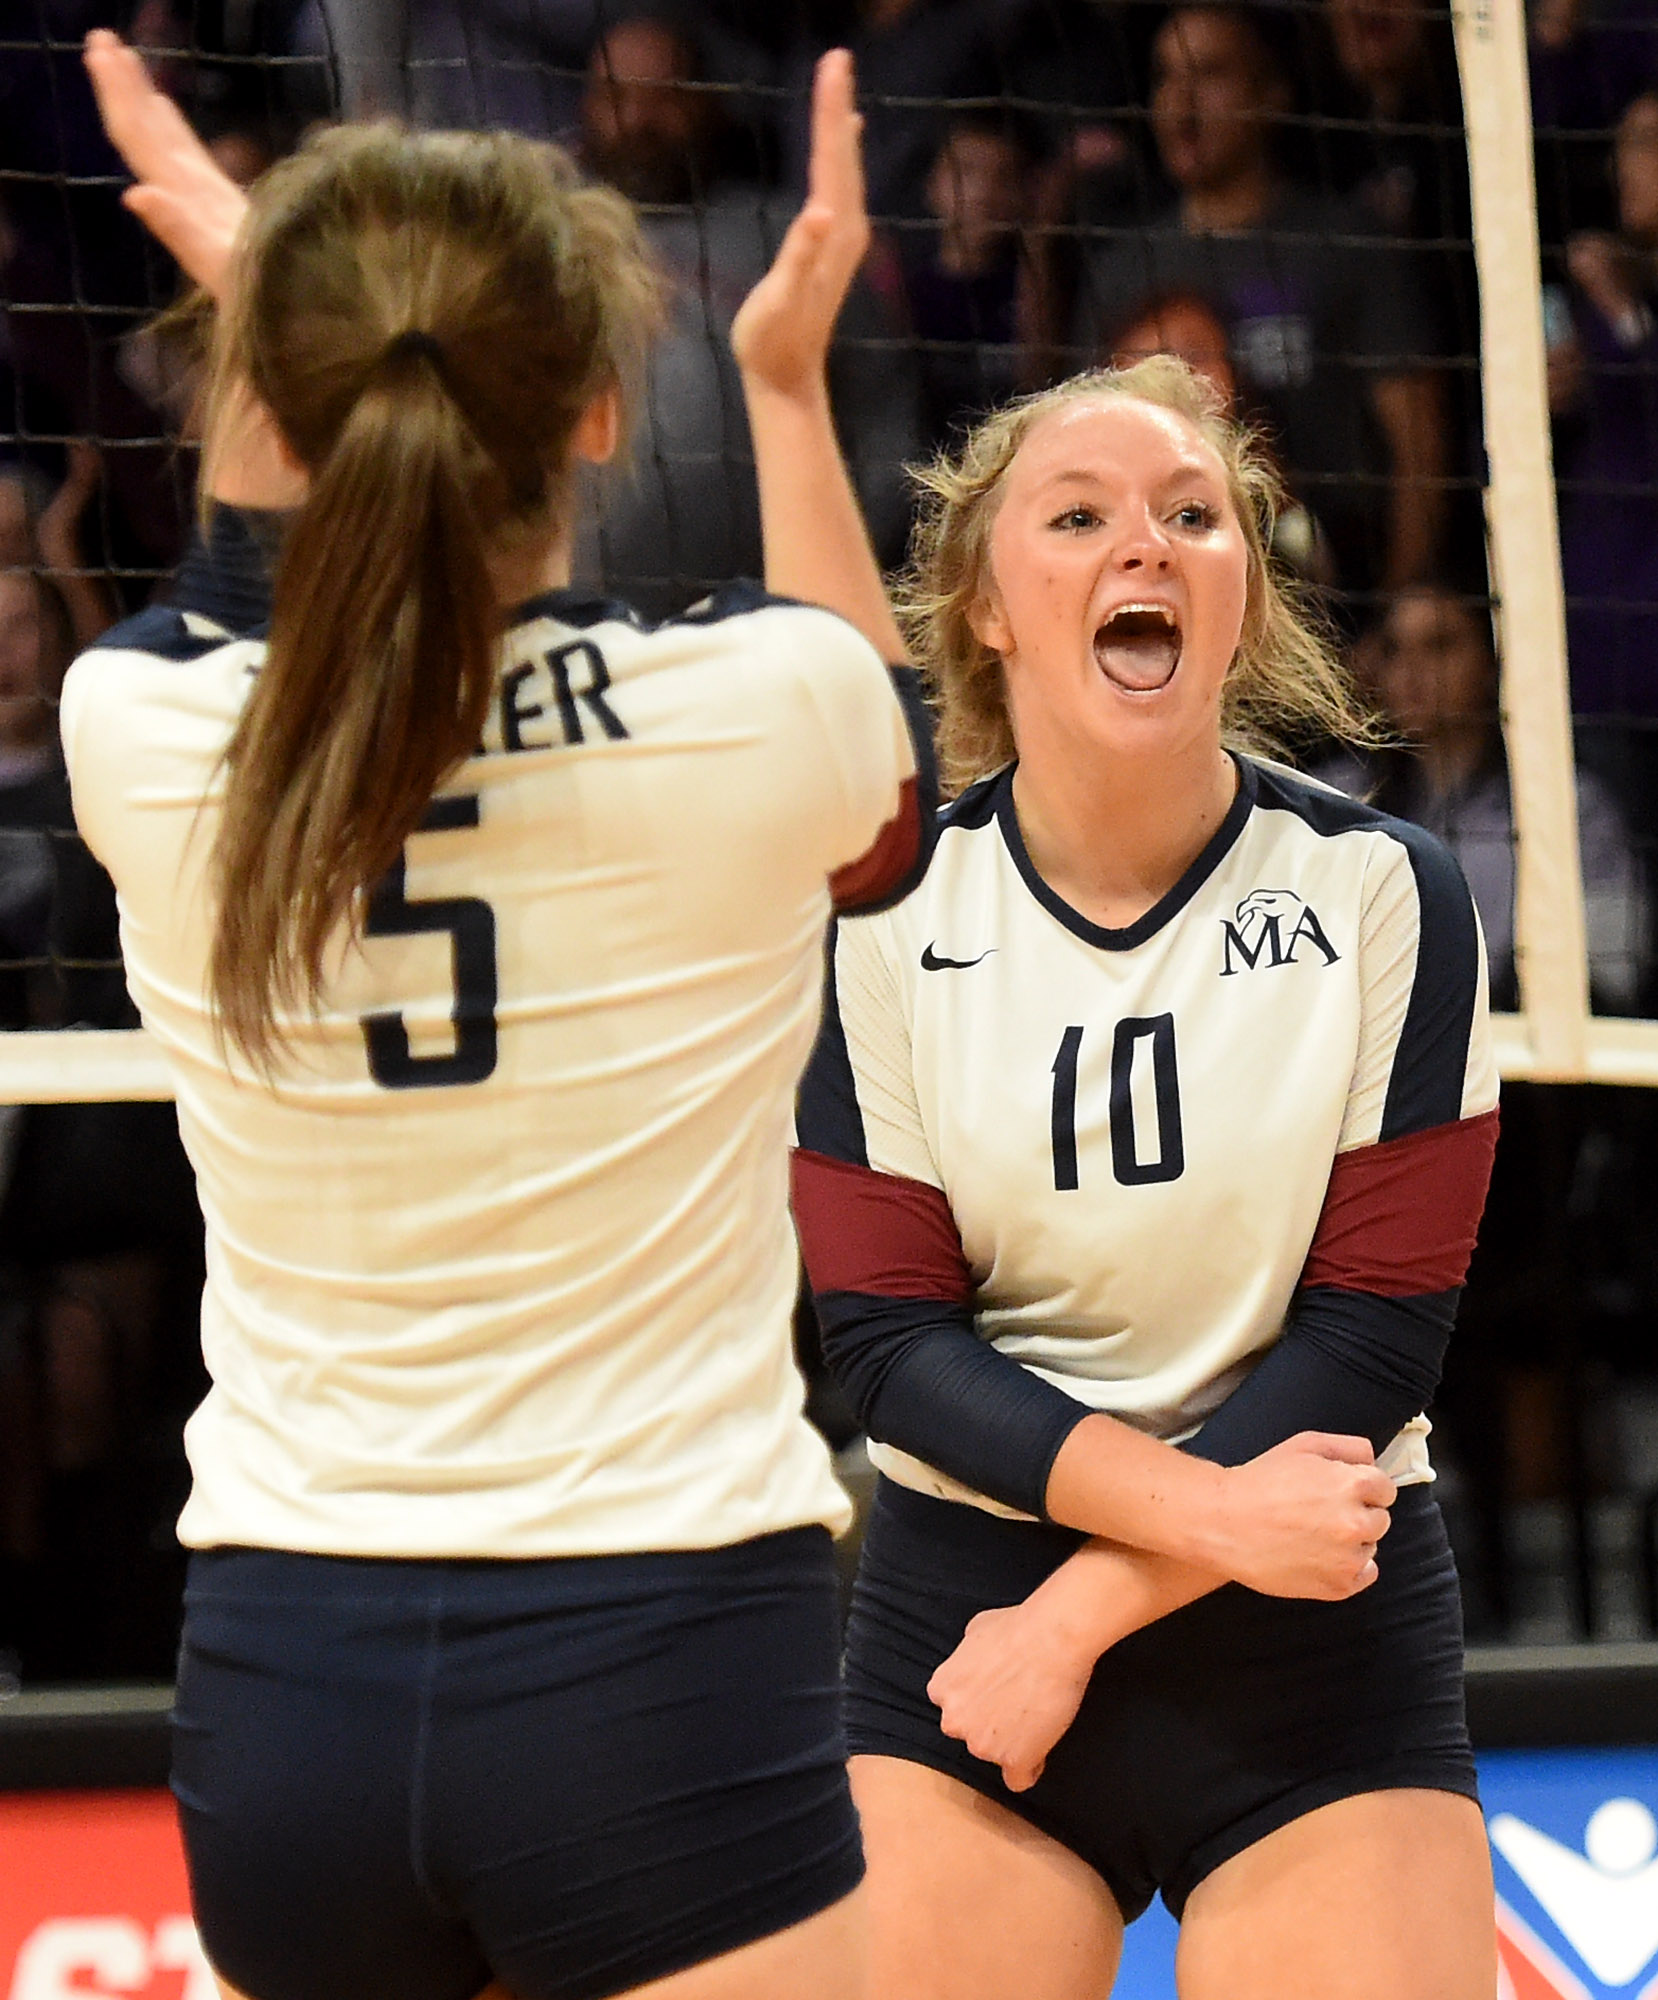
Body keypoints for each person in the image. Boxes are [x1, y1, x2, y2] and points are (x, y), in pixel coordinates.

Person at [68, 33, 932, 2000]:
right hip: (664, 1662)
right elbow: (896, 841)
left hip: (289, 1685)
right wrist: (787, 389)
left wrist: (277, 292)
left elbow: (241, 584)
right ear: (612, 409)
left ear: (270, 403)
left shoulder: (147, 725)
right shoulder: (757, 709)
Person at [792, 357, 1502, 1998]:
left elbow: (1374, 1343)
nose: (1147, 548)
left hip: (1308, 1646)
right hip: (965, 1629)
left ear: (1240, 593)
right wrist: (1183, 1528)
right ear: (984, 604)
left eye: (1192, 516)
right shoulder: (884, 923)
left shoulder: (1384, 893)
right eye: (1080, 515)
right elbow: (888, 1351)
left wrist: (1075, 1622)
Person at [1072, 4, 1446, 605]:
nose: (1182, 102)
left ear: (1272, 93)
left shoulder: (1348, 244)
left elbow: (1421, 451)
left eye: (1211, 74)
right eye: (1166, 77)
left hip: (1338, 592)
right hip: (1177, 591)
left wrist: (1392, 612)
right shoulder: (1120, 270)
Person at [1316, 582, 1648, 1014]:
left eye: (1439, 646)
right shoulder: (1331, 799)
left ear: (1493, 662)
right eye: (1393, 649)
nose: (1413, 670)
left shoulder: (1568, 805)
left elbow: (1613, 974)